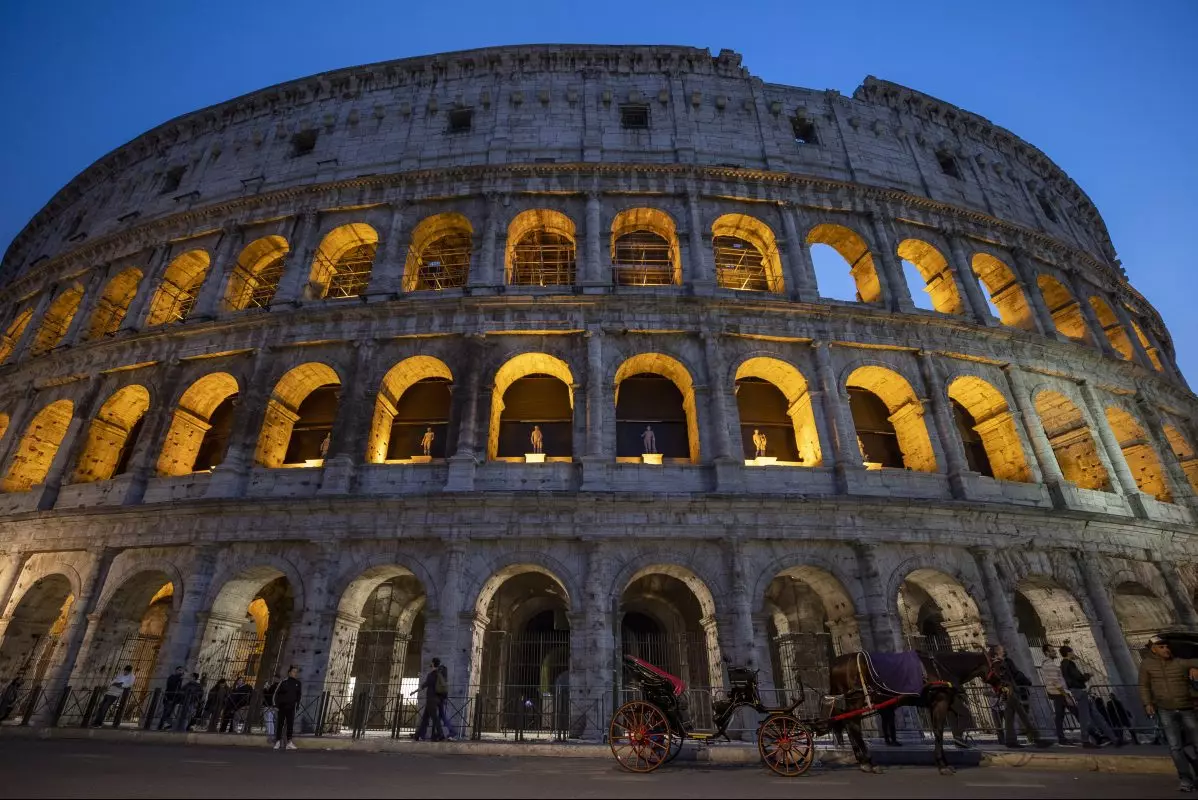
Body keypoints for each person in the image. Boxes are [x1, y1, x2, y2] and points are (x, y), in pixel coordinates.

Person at [1139, 634, 1198, 791]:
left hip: (1186, 708)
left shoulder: (1179, 662)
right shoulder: (1146, 665)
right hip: (1165, 710)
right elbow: (1144, 686)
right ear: (1154, 649)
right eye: (1162, 647)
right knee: (1175, 746)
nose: (1166, 649)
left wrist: (1194, 667)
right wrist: (1147, 703)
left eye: (1167, 646)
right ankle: (1186, 780)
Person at [987, 645, 1046, 749]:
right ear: (996, 653)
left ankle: (1010, 740)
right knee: (1022, 714)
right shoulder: (998, 664)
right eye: (1001, 649)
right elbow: (1002, 678)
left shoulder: (1001, 662)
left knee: (1009, 717)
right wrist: (1006, 689)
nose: (1004, 650)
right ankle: (1037, 738)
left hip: (1009, 691)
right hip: (1009, 691)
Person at [1061, 646, 1118, 750]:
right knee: (1085, 718)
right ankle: (1086, 741)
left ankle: (1114, 738)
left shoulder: (1064, 664)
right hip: (1079, 691)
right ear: (1069, 653)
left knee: (1096, 715)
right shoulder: (1068, 663)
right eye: (1072, 652)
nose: (1074, 654)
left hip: (1079, 691)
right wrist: (1087, 675)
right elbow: (1078, 677)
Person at [1039, 645, 1074, 746]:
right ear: (1046, 653)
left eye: (1054, 650)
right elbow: (1055, 681)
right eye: (1052, 651)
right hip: (1059, 693)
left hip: (1056, 693)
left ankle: (1061, 738)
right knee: (1076, 712)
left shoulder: (1047, 664)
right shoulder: (1050, 665)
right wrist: (1066, 695)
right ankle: (1093, 735)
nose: (1055, 652)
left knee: (1059, 716)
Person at [411, 658, 446, 742]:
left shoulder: (431, 675)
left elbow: (425, 685)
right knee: (425, 718)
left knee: (435, 718)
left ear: (433, 664)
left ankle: (441, 735)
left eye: (431, 662)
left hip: (431, 699)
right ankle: (418, 735)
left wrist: (414, 691)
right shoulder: (440, 674)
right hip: (437, 699)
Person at [273, 666, 301, 751]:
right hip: (282, 707)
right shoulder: (283, 682)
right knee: (280, 724)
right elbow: (276, 694)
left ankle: (289, 742)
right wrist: (275, 705)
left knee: (290, 725)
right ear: (289, 673)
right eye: (293, 671)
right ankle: (278, 741)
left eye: (296, 672)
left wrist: (297, 705)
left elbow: (299, 695)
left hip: (291, 707)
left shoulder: (298, 683)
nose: (295, 673)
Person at [158, 666, 186, 730]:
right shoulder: (172, 677)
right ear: (176, 671)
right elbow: (171, 686)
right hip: (169, 698)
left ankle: (166, 726)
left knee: (170, 713)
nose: (181, 672)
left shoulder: (180, 679)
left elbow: (179, 688)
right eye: (179, 670)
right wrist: (179, 678)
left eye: (182, 671)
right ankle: (160, 726)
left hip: (175, 699)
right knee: (166, 712)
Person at [261, 674, 281, 741]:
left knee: (268, 720)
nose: (273, 679)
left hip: (269, 705)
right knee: (271, 720)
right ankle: (272, 734)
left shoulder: (274, 686)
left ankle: (270, 735)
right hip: (273, 705)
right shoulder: (279, 686)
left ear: (276, 678)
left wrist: (265, 689)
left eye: (274, 678)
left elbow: (268, 696)